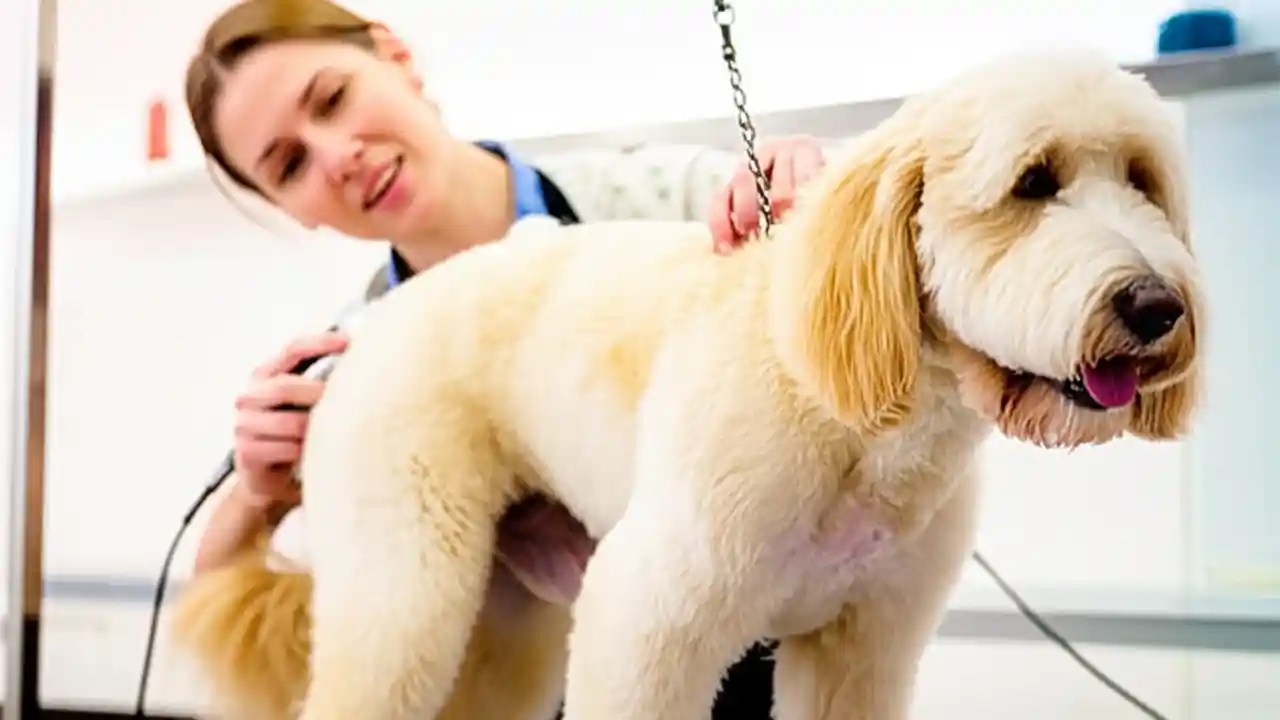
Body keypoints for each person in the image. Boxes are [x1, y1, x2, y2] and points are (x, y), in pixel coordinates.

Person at [177, 1, 829, 717]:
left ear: (394, 56)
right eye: (291, 164)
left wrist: (815, 206)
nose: (338, 158)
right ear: (290, 210)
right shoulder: (361, 363)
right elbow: (232, 606)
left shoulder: (670, 204)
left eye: (332, 99)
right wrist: (256, 494)